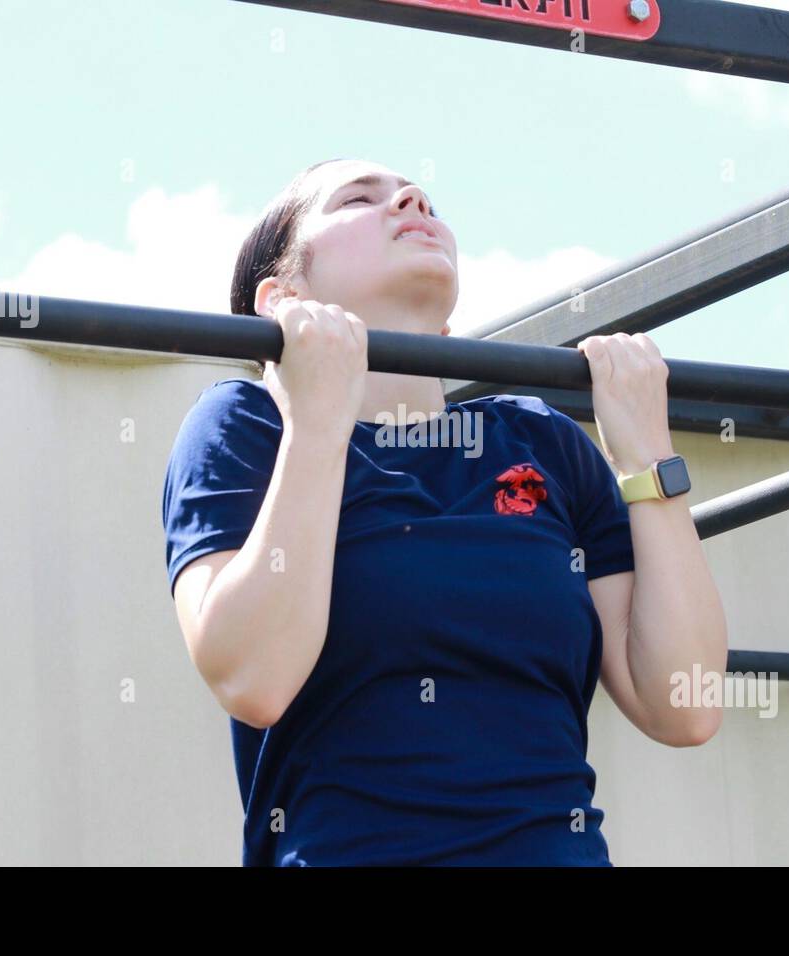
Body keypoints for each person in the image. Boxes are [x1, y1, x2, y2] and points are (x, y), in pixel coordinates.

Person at [162, 158, 727, 866]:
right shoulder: (245, 425)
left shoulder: (539, 438)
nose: (410, 198)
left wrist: (648, 459)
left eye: (419, 195)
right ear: (281, 297)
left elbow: (685, 704)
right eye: (358, 198)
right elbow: (253, 679)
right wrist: (315, 423)